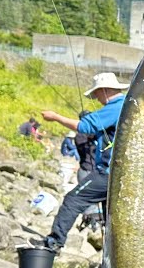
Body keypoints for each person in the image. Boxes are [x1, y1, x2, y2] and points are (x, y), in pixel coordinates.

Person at [37, 72, 128, 251]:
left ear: (104, 90)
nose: (96, 98)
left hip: (108, 174)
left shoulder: (116, 106)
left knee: (73, 200)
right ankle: (111, 257)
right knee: (110, 219)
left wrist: (55, 117)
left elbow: (85, 127)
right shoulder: (125, 106)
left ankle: (54, 242)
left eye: (96, 94)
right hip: (118, 174)